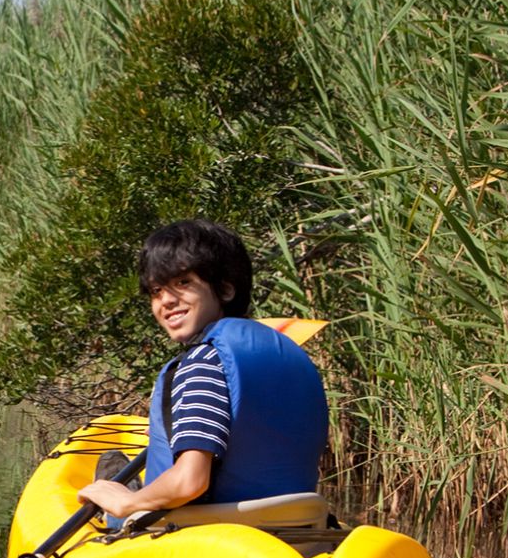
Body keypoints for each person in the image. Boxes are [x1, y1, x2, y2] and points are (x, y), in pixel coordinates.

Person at [76, 219, 327, 524]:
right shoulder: (290, 355)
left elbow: (189, 482)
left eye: (183, 282)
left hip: (208, 532)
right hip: (298, 528)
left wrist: (127, 502)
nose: (166, 301)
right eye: (156, 291)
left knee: (111, 469)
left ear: (225, 289)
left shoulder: (204, 361)